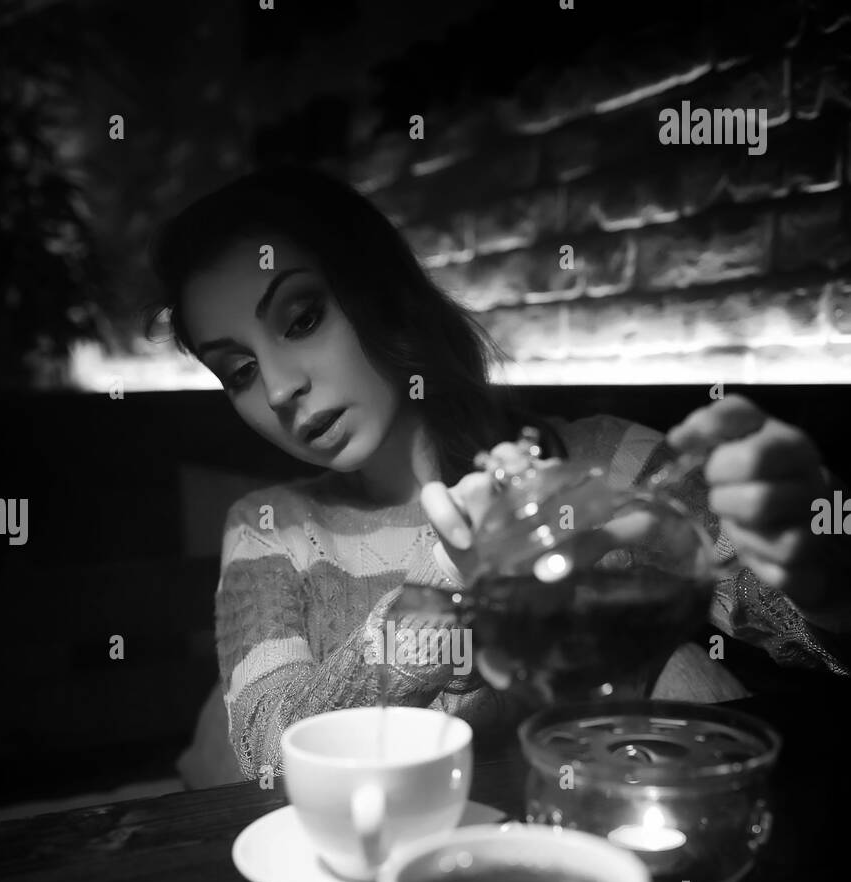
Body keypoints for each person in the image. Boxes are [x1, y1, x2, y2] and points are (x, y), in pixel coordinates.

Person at [145, 163, 851, 785]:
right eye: (238, 371)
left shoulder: (602, 463)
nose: (276, 390)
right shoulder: (272, 531)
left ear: (382, 291)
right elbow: (269, 755)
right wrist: (447, 592)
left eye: (301, 319)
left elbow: (804, 637)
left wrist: (823, 578)